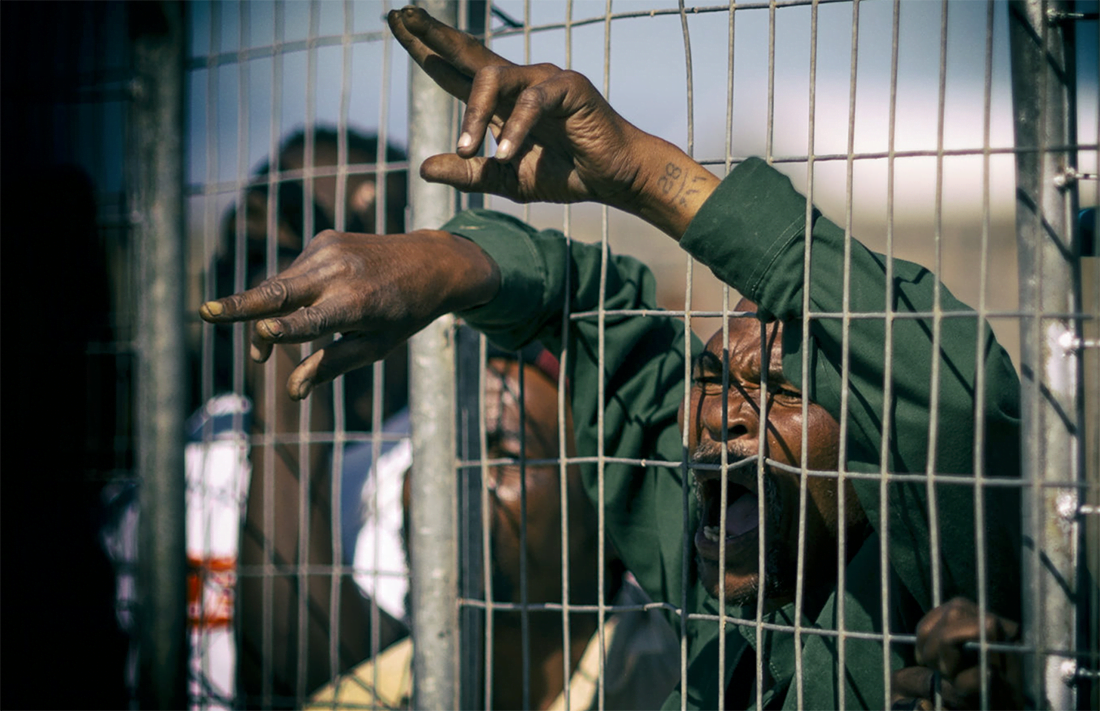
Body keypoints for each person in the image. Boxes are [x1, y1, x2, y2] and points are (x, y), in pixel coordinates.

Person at [201, 8, 1025, 710]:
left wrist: (643, 170)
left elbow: (949, 385)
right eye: (710, 377)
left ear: (873, 442)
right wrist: (444, 263)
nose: (722, 411)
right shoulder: (712, 595)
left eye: (778, 388)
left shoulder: (913, 587)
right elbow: (594, 318)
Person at [308, 351, 681, 711]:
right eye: (434, 451)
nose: (451, 482)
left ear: (608, 513)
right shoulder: (359, 700)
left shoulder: (689, 686)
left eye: (506, 455)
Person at [203, 127, 410, 702]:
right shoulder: (206, 433)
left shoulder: (434, 461)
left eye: (311, 237)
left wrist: (284, 368)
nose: (273, 263)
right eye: (255, 243)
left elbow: (311, 678)